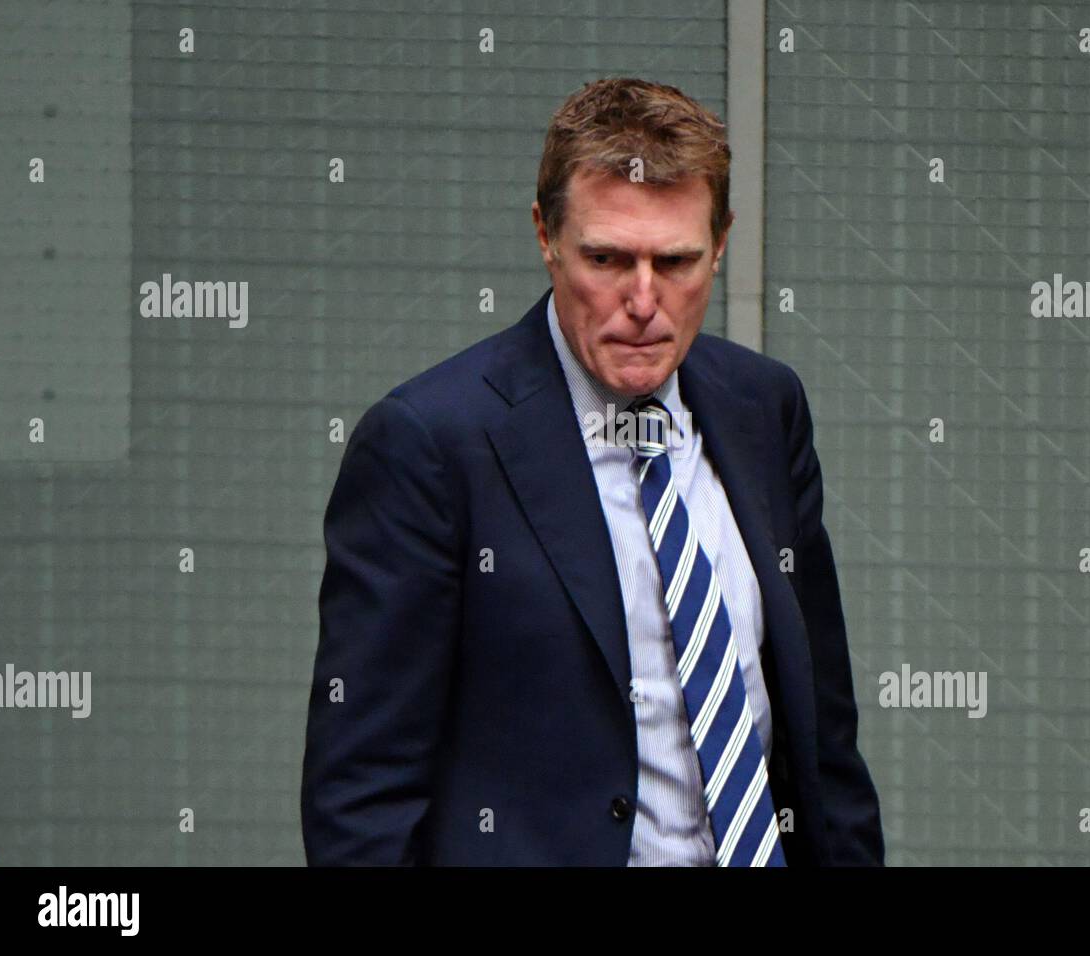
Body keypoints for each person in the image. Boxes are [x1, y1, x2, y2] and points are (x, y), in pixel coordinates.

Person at [300, 77, 884, 866]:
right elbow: (361, 799)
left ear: (722, 242)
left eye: (675, 261)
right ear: (545, 234)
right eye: (607, 258)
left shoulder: (763, 408)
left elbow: (824, 741)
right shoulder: (429, 444)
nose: (644, 302)